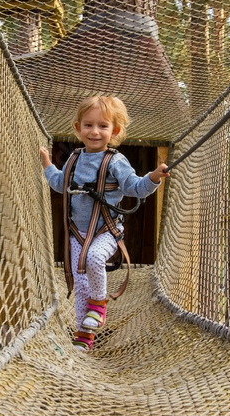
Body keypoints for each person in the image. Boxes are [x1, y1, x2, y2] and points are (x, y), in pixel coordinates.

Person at [40, 95, 168, 351]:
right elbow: (59, 184)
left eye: (102, 126)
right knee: (80, 283)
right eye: (88, 125)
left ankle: (99, 305)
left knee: (95, 260)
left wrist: (153, 177)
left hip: (106, 232)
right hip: (78, 233)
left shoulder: (116, 161)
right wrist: (47, 165)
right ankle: (83, 337)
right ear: (78, 129)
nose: (95, 131)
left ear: (115, 131)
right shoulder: (74, 159)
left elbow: (135, 188)